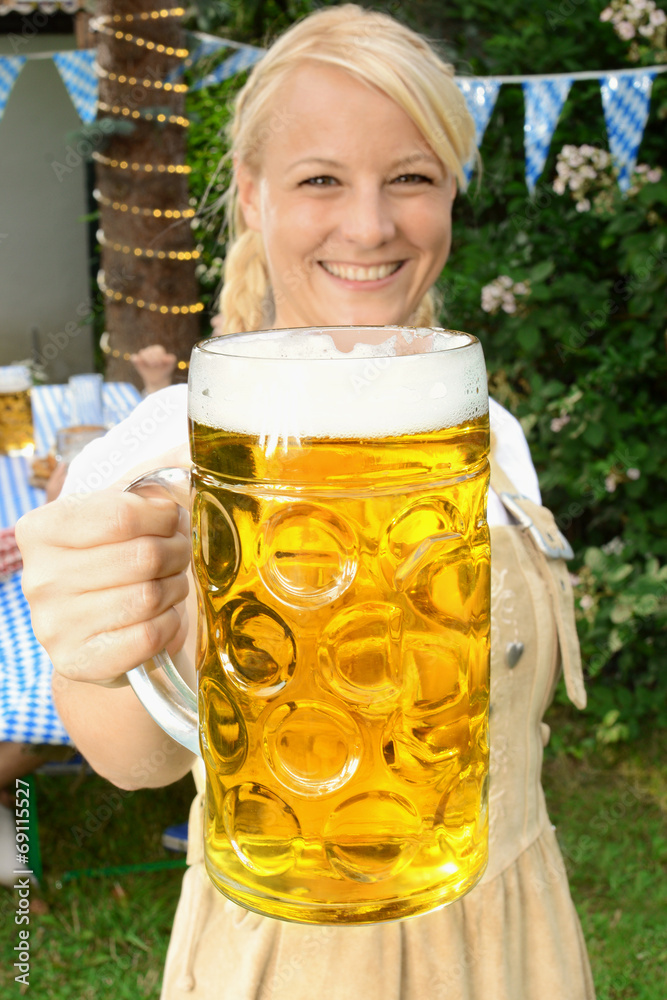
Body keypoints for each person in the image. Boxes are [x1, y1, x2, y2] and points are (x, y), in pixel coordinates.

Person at [15, 6, 595, 998]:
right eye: (320, 178)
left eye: (409, 178)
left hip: (513, 937)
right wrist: (94, 651)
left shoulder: (484, 427)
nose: (369, 226)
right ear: (252, 197)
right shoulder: (175, 439)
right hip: (299, 960)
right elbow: (133, 754)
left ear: (450, 193)